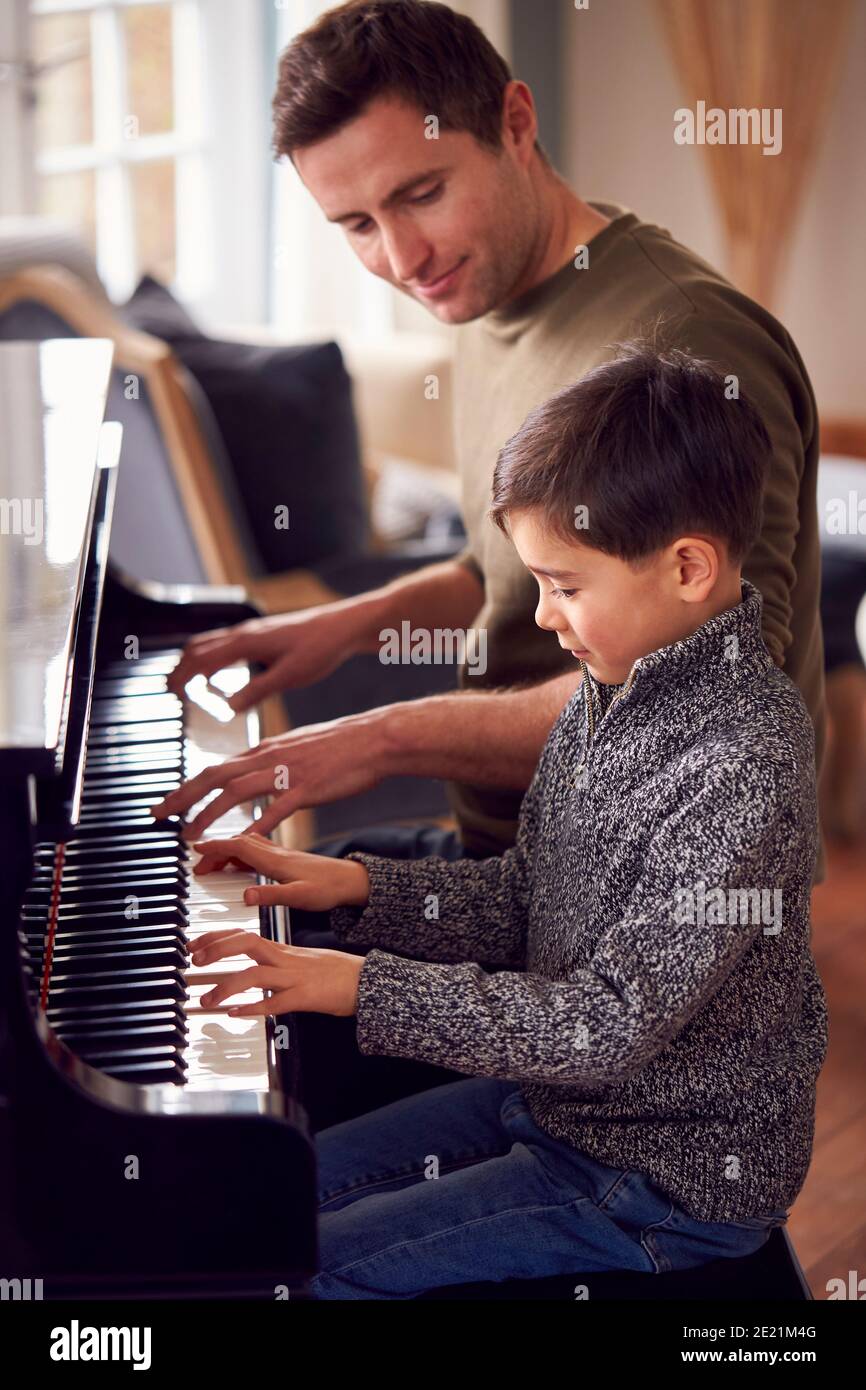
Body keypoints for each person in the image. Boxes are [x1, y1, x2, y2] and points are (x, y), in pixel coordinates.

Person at [151, 0, 826, 1120]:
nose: (400, 257)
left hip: (615, 918)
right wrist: (341, 624)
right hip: (514, 852)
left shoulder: (678, 345)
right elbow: (500, 561)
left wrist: (377, 736)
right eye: (355, 224)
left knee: (272, 1142)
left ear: (515, 121)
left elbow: (700, 702)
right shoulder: (490, 293)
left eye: (420, 194)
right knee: (217, 920)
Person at [183, 344, 828, 1298]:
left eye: (565, 585)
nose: (545, 617)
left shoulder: (742, 767)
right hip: (556, 1107)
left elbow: (608, 1027)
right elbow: (529, 898)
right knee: (256, 1203)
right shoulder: (616, 687)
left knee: (297, 1275)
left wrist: (355, 986)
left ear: (687, 567)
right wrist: (355, 886)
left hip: (653, 1180)